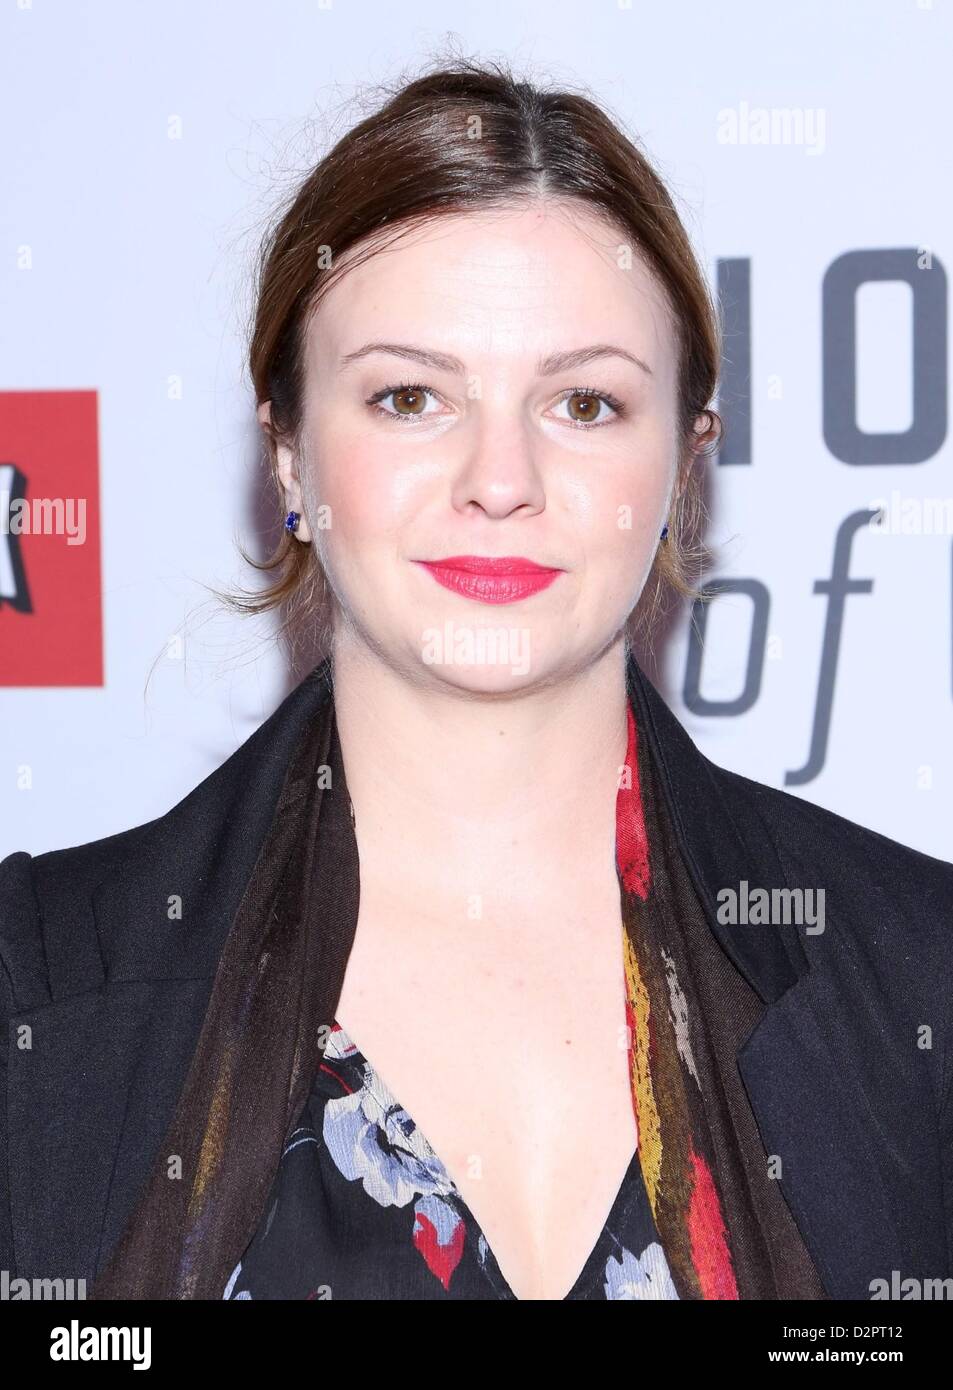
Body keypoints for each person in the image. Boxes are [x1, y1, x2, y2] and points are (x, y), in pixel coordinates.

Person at [2, 57, 952, 1304]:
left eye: (582, 402)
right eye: (408, 395)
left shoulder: (912, 972)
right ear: (286, 452)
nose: (497, 478)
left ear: (682, 462)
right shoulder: (40, 985)